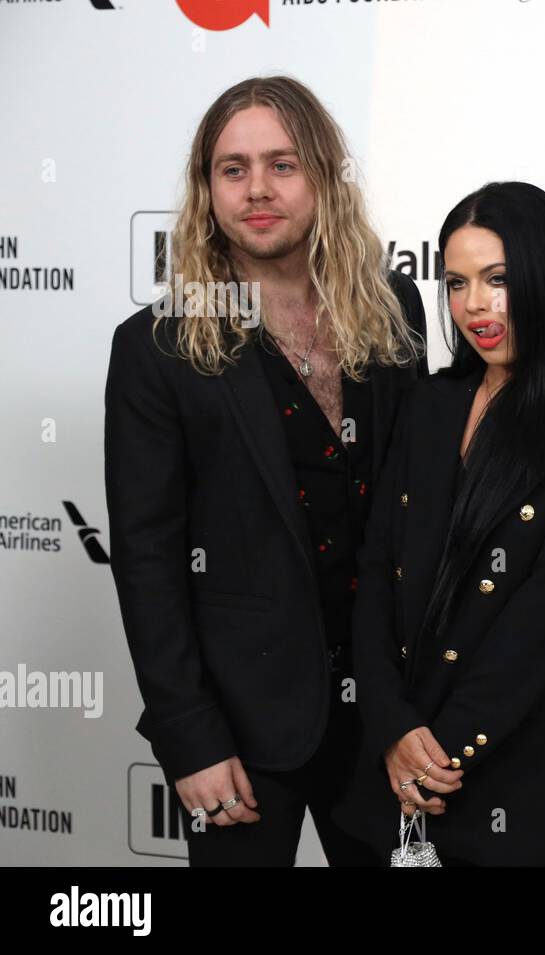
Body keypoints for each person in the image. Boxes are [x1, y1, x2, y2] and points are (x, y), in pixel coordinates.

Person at [105, 76, 427, 865]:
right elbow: (147, 558)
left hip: (385, 722)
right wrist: (188, 735)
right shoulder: (158, 348)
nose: (257, 189)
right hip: (239, 735)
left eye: (282, 164)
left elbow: (417, 513)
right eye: (233, 168)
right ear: (206, 189)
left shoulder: (396, 308)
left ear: (322, 175)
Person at [336, 181, 545, 866]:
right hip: (399, 783)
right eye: (456, 282)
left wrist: (442, 751)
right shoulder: (429, 405)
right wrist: (392, 726)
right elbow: (376, 574)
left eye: (498, 279)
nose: (474, 304)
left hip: (528, 787)